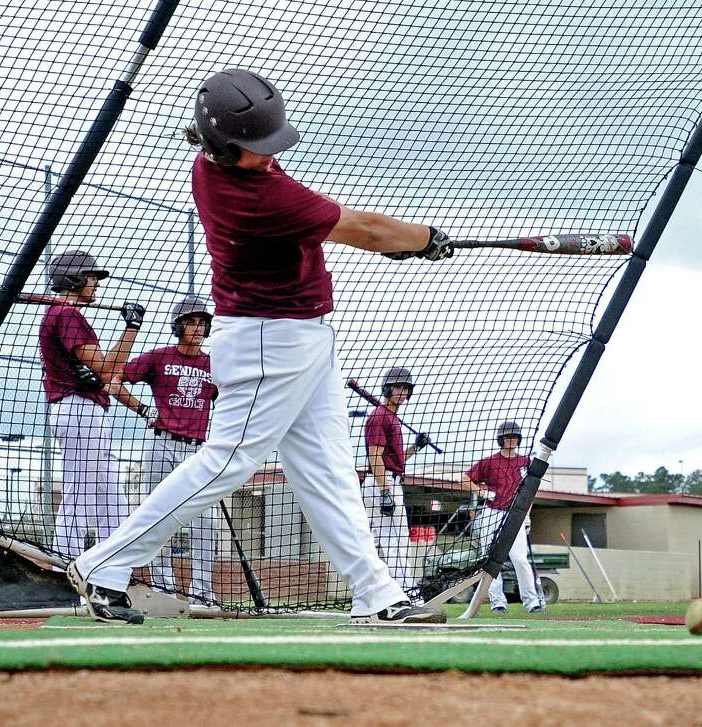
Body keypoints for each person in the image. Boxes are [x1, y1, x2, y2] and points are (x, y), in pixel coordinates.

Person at [68, 68, 452, 625]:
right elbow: (367, 230)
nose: (270, 156)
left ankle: (376, 592)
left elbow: (350, 227)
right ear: (224, 148)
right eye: (256, 148)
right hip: (270, 341)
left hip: (305, 338)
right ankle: (105, 564)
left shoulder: (218, 162)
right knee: (227, 460)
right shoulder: (261, 197)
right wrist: (424, 240)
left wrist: (406, 243)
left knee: (327, 469)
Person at [108, 295, 218, 605]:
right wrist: (142, 409)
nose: (197, 328)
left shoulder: (214, 364)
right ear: (178, 325)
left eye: (202, 323)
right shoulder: (159, 357)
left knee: (204, 523)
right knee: (159, 516)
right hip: (162, 443)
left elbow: (230, 401)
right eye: (191, 322)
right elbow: (114, 378)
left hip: (199, 450)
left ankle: (202, 595)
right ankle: (164, 590)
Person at [39, 249, 145, 560]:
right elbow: (107, 368)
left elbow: (100, 373)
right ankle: (64, 569)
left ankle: (112, 568)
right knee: (82, 495)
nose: (96, 283)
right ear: (73, 278)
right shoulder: (65, 314)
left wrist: (96, 376)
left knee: (110, 496)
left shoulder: (64, 313)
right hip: (78, 410)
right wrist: (131, 328)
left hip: (85, 410)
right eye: (90, 277)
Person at [461, 421, 544, 613]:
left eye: (514, 436)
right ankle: (497, 601)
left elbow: (529, 491)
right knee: (489, 559)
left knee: (520, 558)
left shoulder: (525, 462)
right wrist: (483, 492)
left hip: (515, 515)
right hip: (491, 513)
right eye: (507, 436)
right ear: (501, 439)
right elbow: (464, 479)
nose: (511, 440)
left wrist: (527, 516)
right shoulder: (489, 462)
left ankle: (531, 602)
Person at [363, 366, 432, 594]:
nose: (402, 392)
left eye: (405, 388)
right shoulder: (380, 416)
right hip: (382, 483)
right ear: (387, 388)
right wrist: (385, 491)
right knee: (395, 543)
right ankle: (405, 593)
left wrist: (416, 447)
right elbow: (375, 457)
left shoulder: (390, 417)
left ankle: (385, 592)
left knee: (388, 543)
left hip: (389, 481)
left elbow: (396, 460)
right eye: (398, 387)